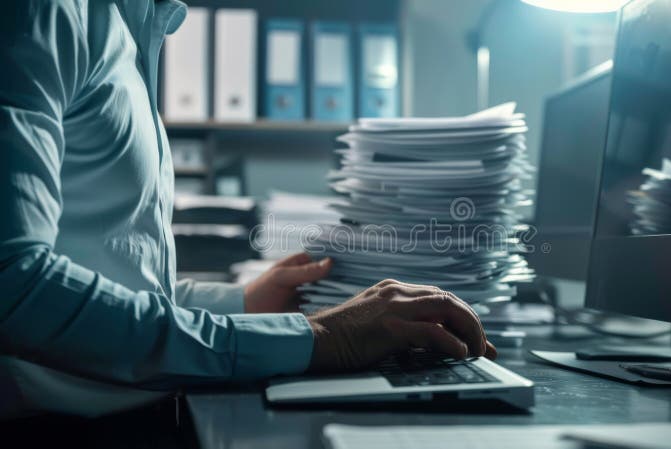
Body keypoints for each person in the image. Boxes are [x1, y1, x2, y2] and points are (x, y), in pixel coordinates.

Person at [0, 0, 495, 418]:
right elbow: (13, 282)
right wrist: (320, 337)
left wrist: (244, 303)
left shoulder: (135, 26)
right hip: (56, 430)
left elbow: (111, 274)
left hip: (134, 411)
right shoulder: (43, 12)